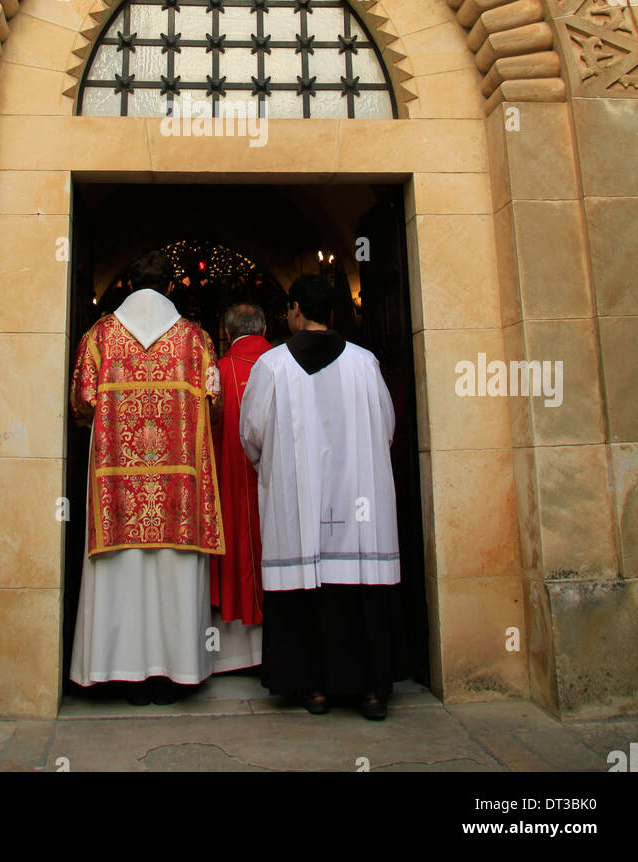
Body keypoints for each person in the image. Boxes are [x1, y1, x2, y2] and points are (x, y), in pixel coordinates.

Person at [239, 273, 401, 719]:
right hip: (359, 507)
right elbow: (386, 426)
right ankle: (370, 690)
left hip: (298, 503)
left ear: (295, 310)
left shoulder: (272, 366)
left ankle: (312, 688)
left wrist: (271, 467)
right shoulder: (365, 363)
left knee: (304, 589)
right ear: (331, 312)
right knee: (359, 588)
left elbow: (251, 433)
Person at [69, 249, 224, 705]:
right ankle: (175, 673)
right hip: (179, 490)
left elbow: (81, 402)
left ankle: (115, 672)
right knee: (172, 574)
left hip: (114, 488)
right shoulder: (195, 340)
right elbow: (213, 403)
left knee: (122, 574)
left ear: (127, 286)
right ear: (172, 288)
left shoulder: (100, 336)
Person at [210, 301, 271, 674]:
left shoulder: (216, 372)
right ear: (264, 329)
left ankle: (234, 657)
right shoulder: (288, 364)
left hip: (230, 486)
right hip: (277, 489)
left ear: (228, 334)